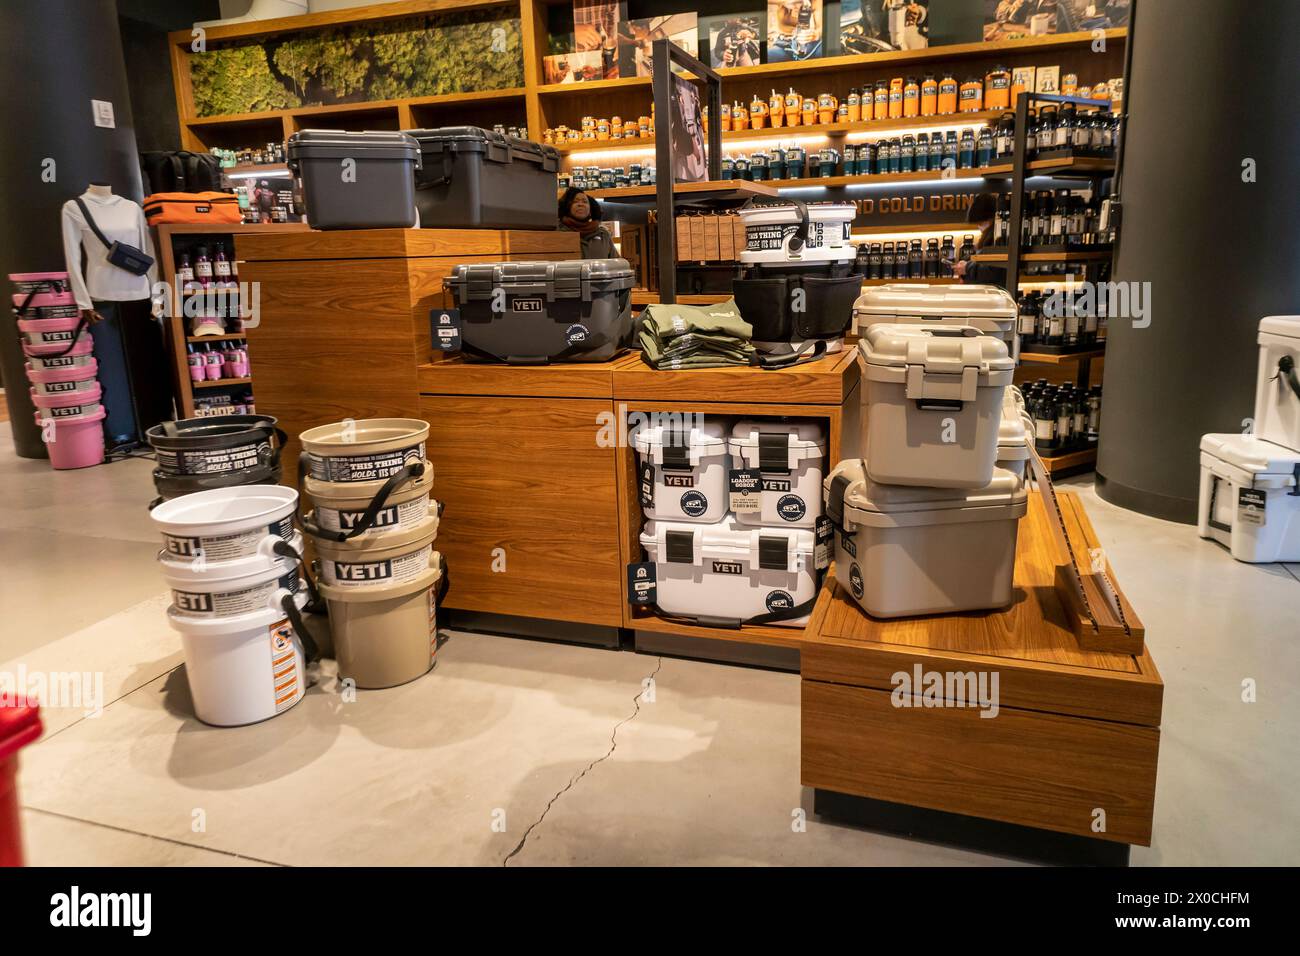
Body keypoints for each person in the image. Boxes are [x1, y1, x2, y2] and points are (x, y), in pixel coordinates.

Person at [953, 191, 1008, 286]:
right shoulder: (990, 236)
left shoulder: (998, 237)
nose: (979, 227)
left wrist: (967, 268)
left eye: (981, 223)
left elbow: (994, 271)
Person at [559, 187, 617, 259]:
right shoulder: (558, 232)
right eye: (575, 201)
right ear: (567, 207)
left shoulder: (603, 235)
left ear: (590, 210)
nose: (580, 204)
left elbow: (616, 264)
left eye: (585, 201)